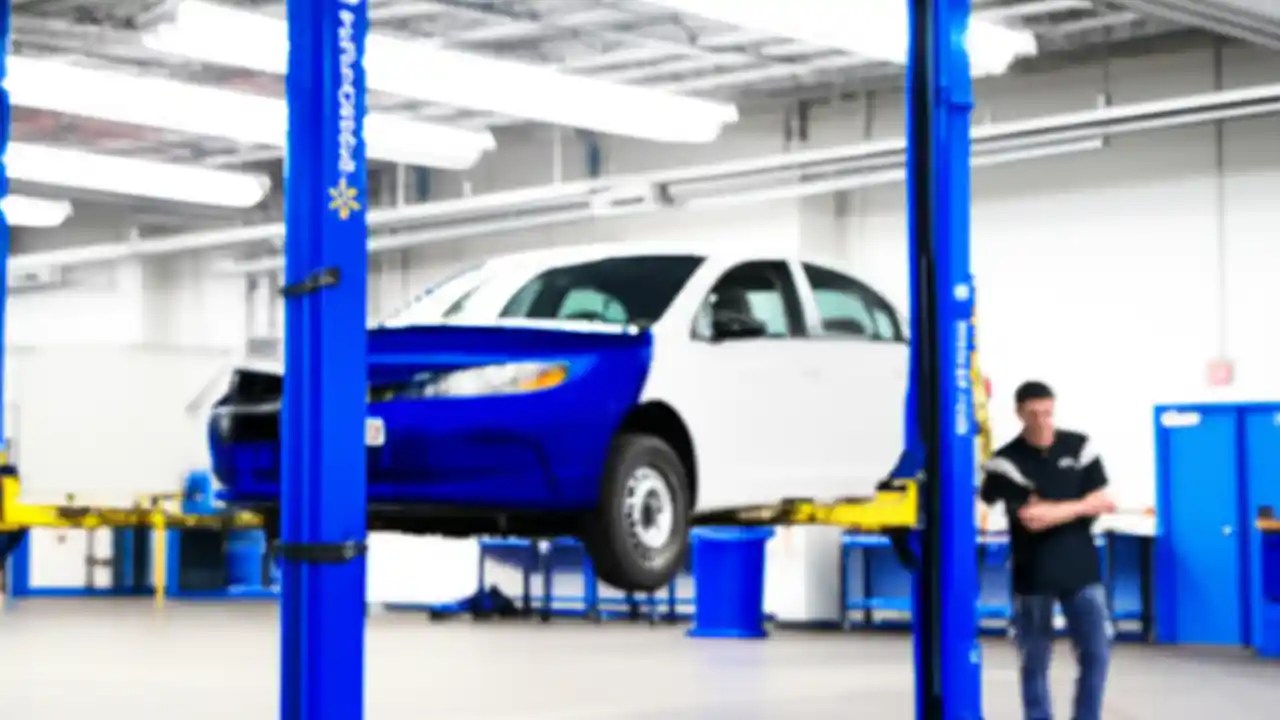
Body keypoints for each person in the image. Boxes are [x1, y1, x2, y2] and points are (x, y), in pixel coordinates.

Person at [979, 380, 1117, 720]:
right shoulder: (1005, 463)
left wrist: (1056, 509)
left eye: (1047, 413)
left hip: (1082, 571)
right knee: (1034, 659)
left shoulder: (1080, 447)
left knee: (1097, 653)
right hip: (1033, 574)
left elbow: (1104, 502)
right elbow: (1030, 518)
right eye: (1033, 414)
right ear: (1019, 414)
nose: (1042, 421)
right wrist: (1080, 505)